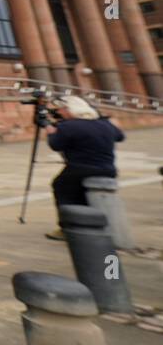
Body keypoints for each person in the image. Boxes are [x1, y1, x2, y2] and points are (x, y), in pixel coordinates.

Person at [44, 95, 123, 242]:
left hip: (80, 169)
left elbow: (55, 145)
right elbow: (120, 136)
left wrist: (49, 129)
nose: (59, 113)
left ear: (69, 110)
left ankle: (67, 227)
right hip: (108, 170)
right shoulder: (104, 124)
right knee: (78, 189)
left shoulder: (68, 126)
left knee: (61, 186)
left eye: (61, 110)